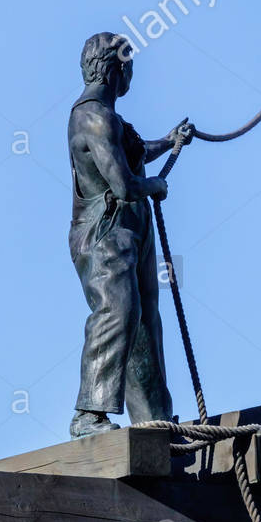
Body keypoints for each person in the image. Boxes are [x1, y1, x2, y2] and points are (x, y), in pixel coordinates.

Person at [67, 32, 191, 438]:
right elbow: (122, 184)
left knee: (144, 319)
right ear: (116, 69)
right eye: (130, 68)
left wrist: (170, 141)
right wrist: (154, 186)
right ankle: (90, 413)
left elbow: (132, 151)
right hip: (104, 233)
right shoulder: (92, 117)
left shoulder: (110, 118)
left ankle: (153, 417)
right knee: (118, 310)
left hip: (132, 231)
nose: (132, 76)